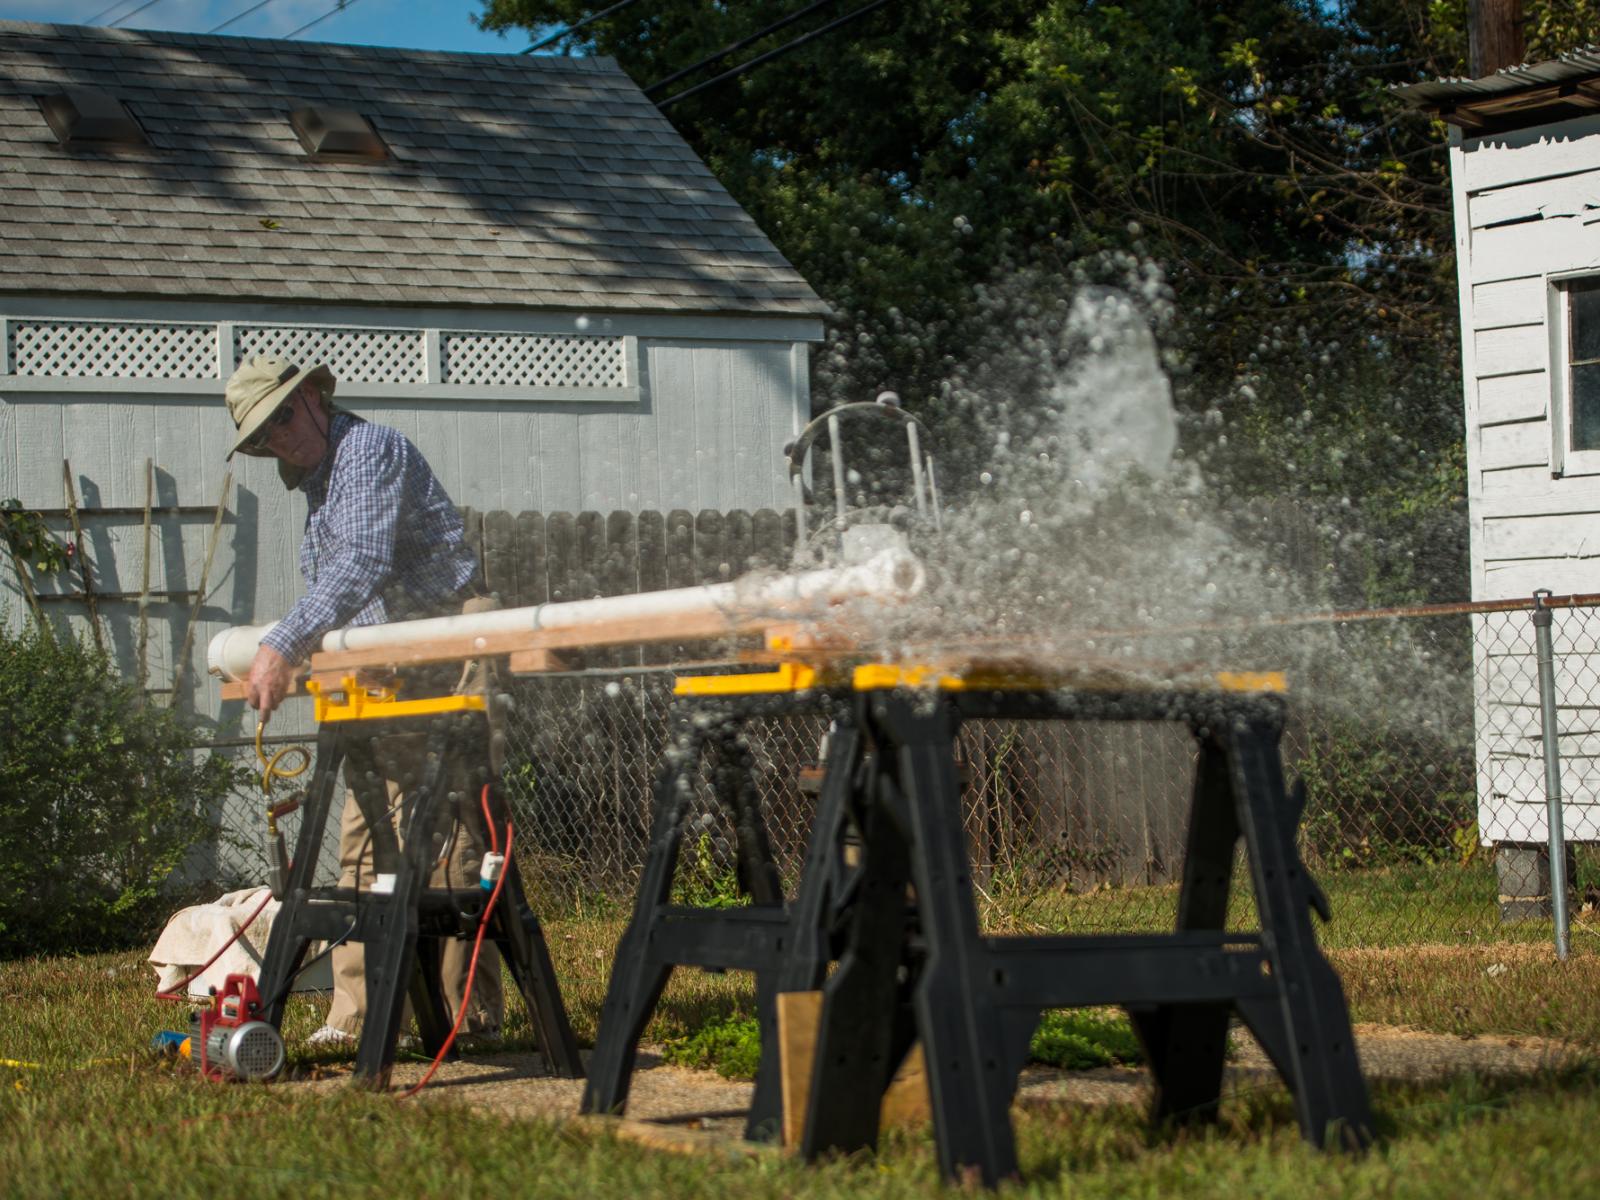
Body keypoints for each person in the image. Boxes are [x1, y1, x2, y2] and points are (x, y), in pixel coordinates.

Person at [222, 354, 503, 1048]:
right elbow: (347, 590)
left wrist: (283, 643)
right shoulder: (320, 488)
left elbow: (364, 563)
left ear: (315, 395)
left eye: (283, 416)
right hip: (382, 654)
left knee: (454, 833)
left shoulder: (371, 449)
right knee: (362, 830)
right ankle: (358, 1018)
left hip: (446, 636)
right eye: (262, 436)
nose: (278, 438)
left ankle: (465, 1019)